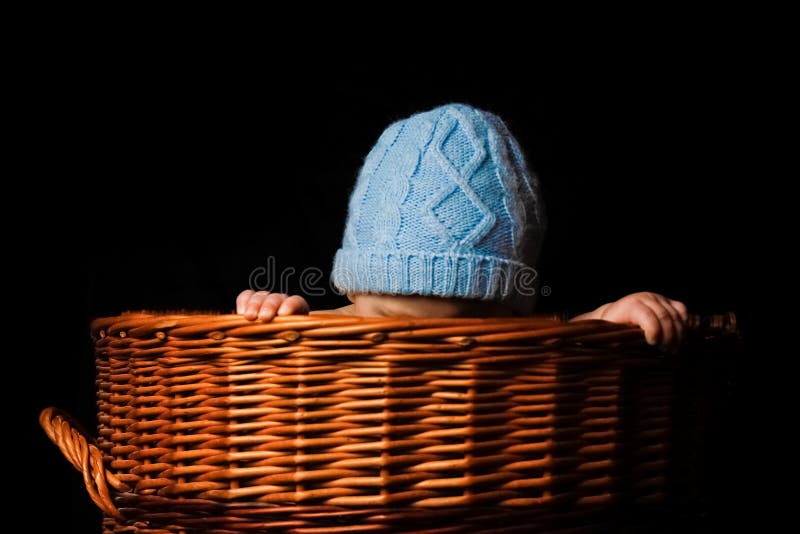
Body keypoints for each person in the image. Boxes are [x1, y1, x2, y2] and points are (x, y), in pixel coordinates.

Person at [236, 104, 688, 351]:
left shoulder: (523, 336)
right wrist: (272, 315)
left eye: (467, 326)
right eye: (386, 320)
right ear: (351, 294)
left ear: (512, 312)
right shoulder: (319, 330)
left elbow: (563, 342)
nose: (421, 351)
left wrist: (607, 319)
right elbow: (283, 341)